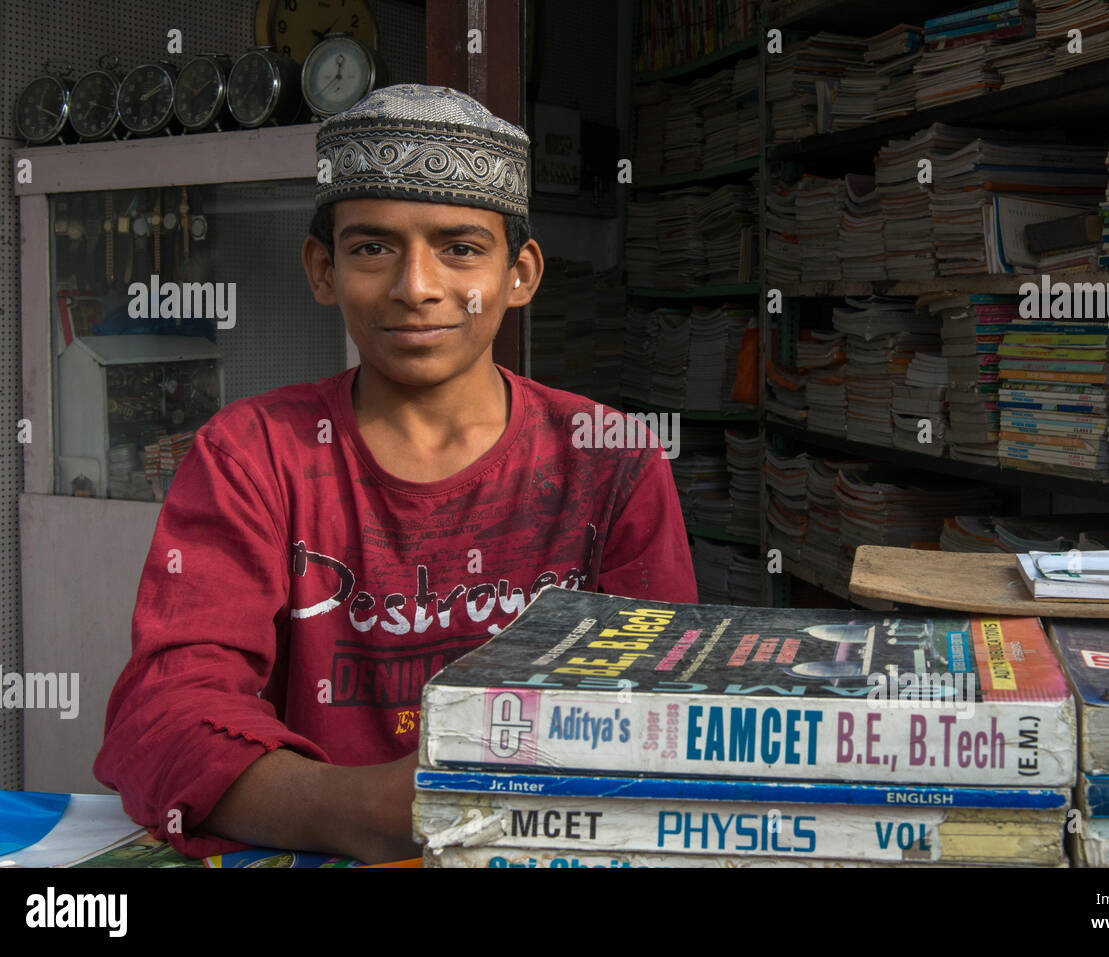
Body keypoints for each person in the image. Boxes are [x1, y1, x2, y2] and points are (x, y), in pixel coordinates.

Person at [94, 84, 698, 864]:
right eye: (373, 247)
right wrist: (384, 806)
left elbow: (662, 715)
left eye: (460, 248)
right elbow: (165, 717)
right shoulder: (251, 455)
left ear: (521, 274)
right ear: (322, 269)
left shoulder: (610, 458)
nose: (417, 287)